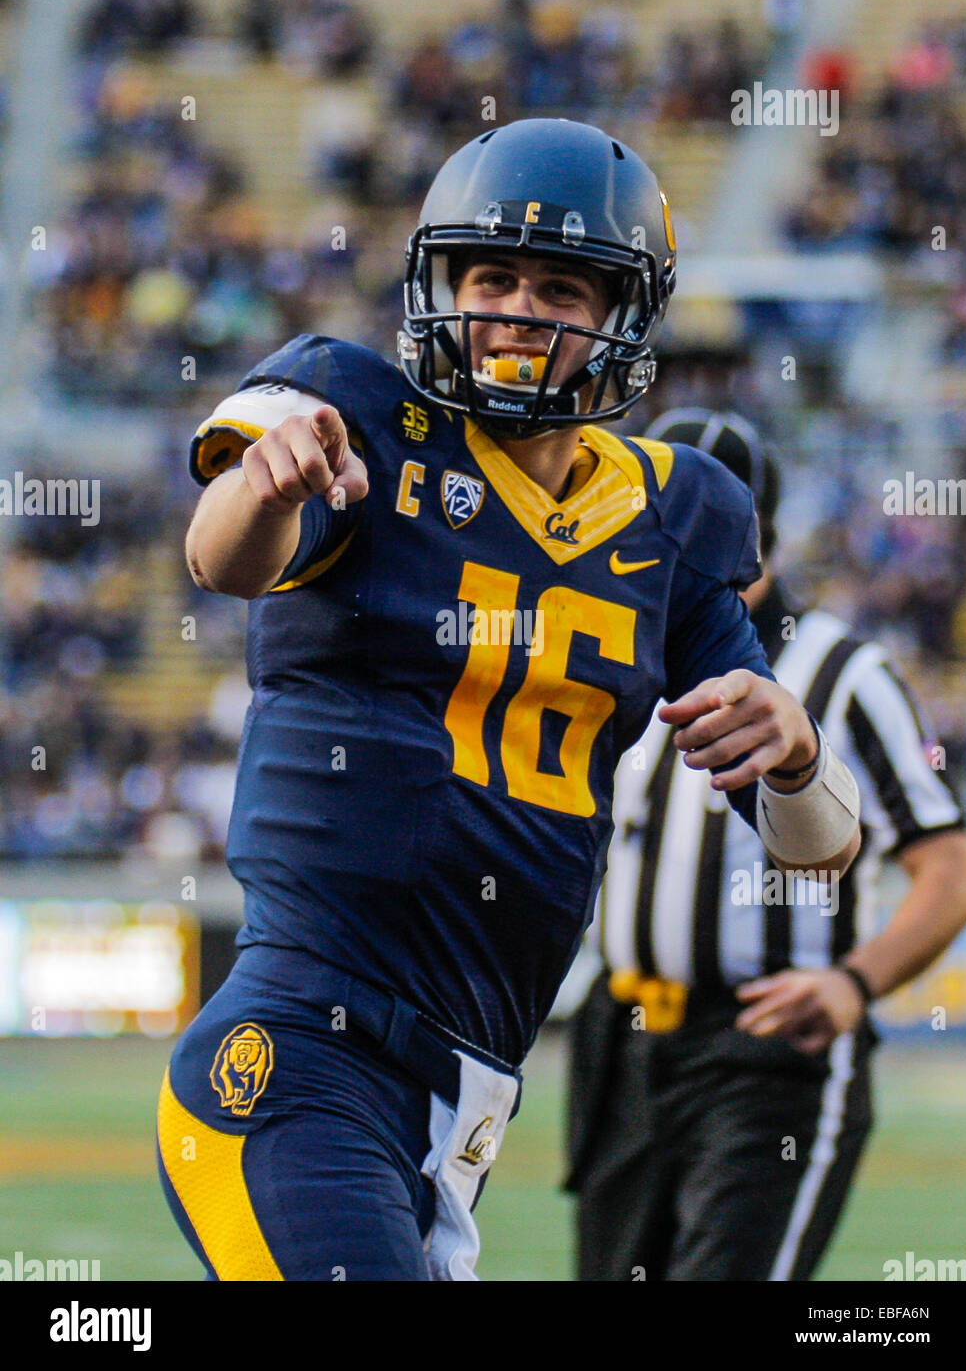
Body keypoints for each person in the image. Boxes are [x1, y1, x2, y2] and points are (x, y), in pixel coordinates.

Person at [156, 120, 862, 1282]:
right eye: (490, 277)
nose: (518, 309)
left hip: (464, 1103)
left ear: (620, 316)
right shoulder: (354, 417)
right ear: (440, 284)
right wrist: (265, 480)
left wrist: (792, 756)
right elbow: (225, 555)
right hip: (298, 1051)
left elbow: (817, 850)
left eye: (558, 286)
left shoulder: (671, 516)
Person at [564, 409, 966, 1282]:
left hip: (765, 1047)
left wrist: (854, 982)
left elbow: (951, 866)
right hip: (627, 1037)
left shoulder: (841, 670)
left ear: (761, 543)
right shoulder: (607, 641)